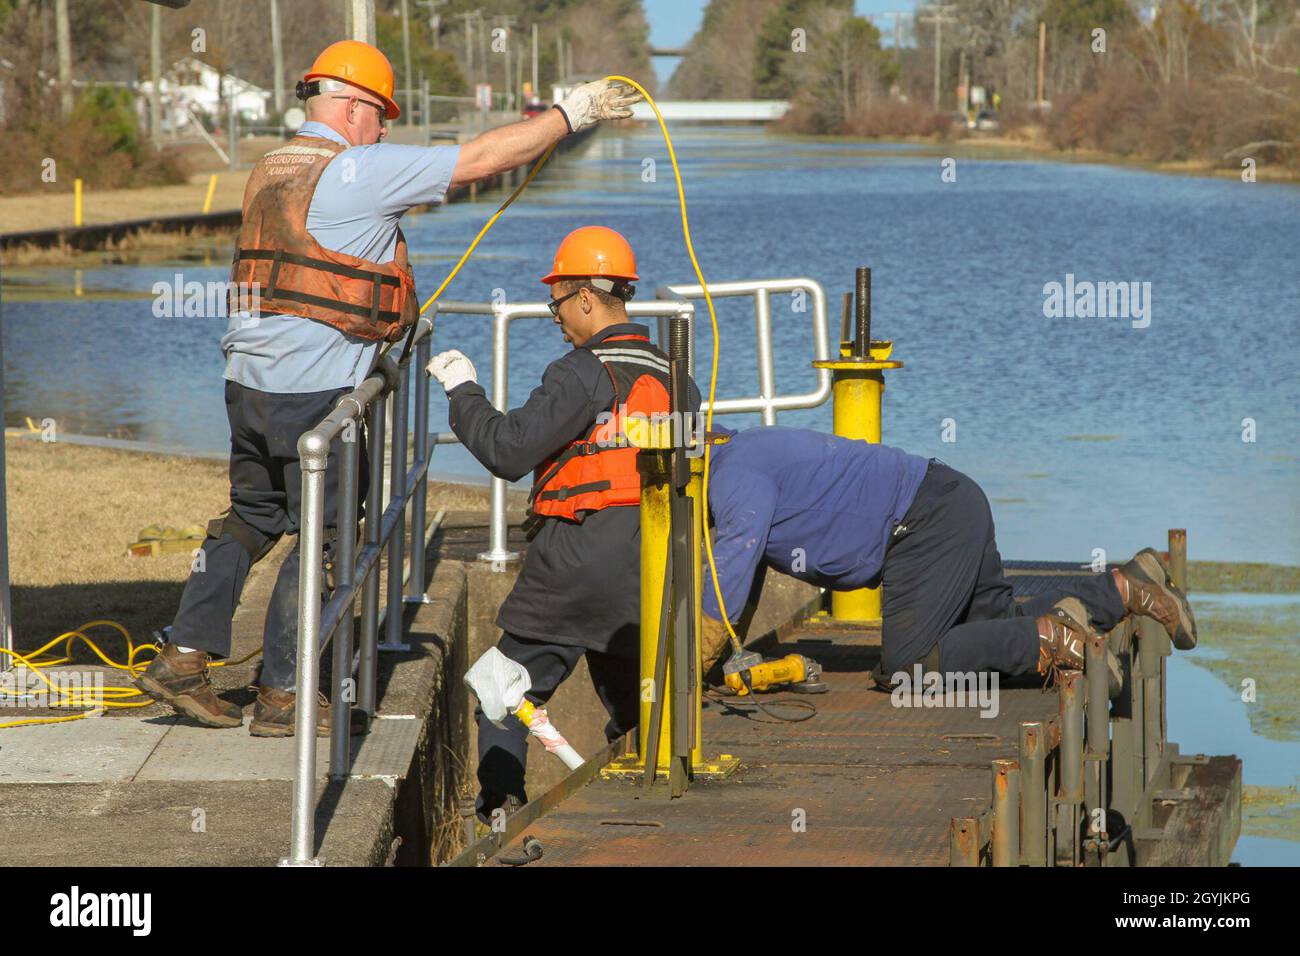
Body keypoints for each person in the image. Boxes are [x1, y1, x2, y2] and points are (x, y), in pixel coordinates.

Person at [136, 40, 642, 736]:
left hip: (246, 382)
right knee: (327, 534)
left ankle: (184, 656)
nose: (383, 133)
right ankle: (284, 695)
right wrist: (571, 113)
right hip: (315, 392)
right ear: (351, 107)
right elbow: (484, 159)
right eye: (379, 118)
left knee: (251, 518)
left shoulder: (269, 168)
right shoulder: (354, 171)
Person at [426, 226, 700, 820]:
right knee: (639, 702)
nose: (553, 315)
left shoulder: (579, 372)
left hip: (575, 561)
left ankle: (502, 808)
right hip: (651, 569)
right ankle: (654, 806)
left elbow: (508, 450)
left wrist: (462, 389)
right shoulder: (676, 376)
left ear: (585, 298)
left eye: (557, 301)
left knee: (502, 687)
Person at [699, 426, 1197, 690]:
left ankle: (1053, 639)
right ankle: (1124, 587)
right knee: (992, 622)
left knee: (907, 667)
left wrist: (693, 668)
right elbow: (742, 575)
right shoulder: (749, 448)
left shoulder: (734, 480)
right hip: (953, 496)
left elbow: (726, 583)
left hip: (923, 523)